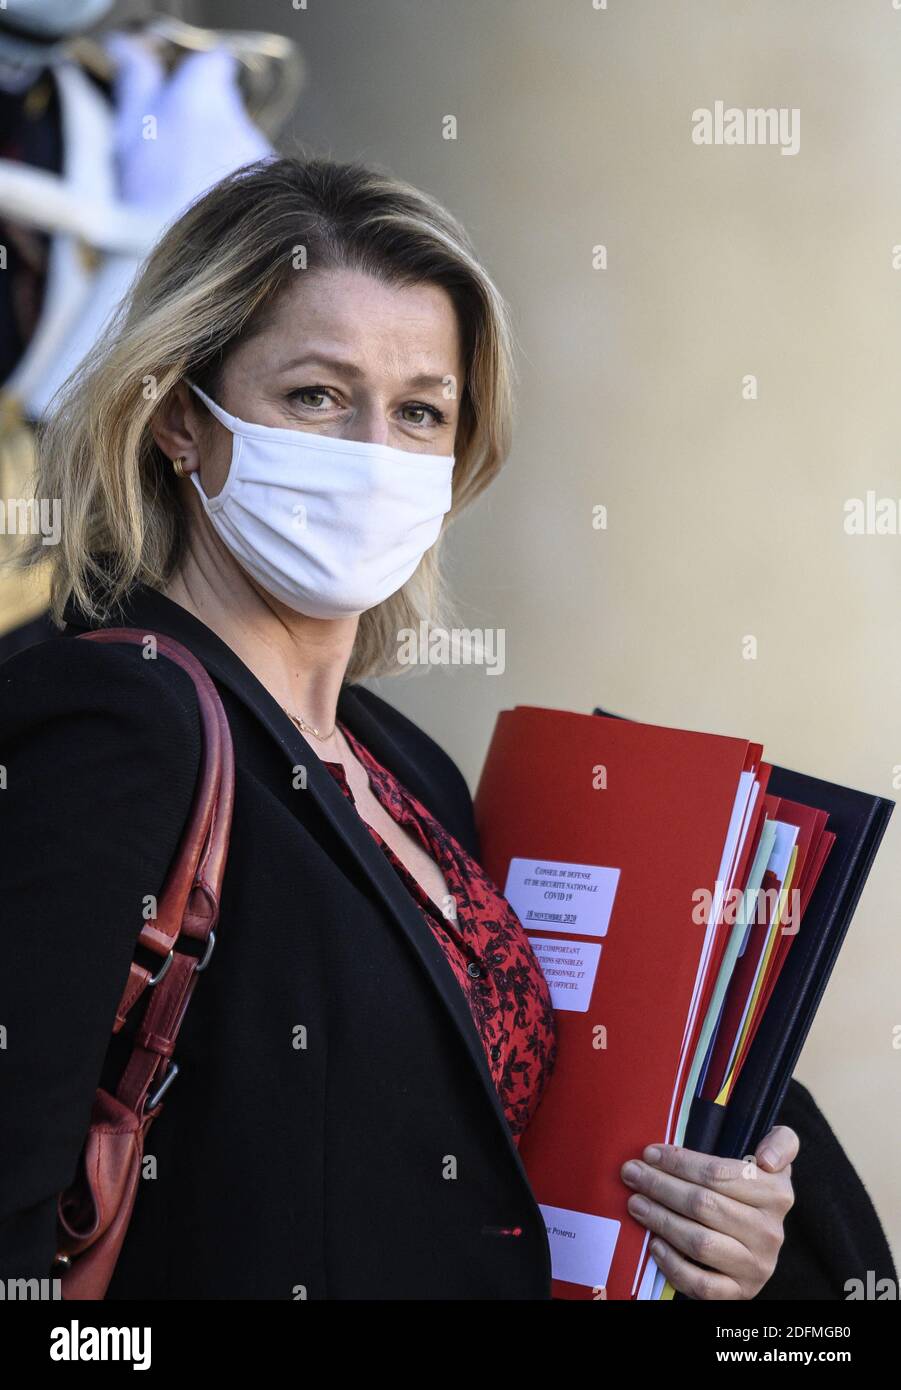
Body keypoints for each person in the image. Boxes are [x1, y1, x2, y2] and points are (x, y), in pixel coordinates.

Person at [0, 154, 796, 1300]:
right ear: (180, 415)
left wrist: (712, 1228)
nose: (374, 452)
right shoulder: (119, 718)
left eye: (420, 410)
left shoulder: (408, 764)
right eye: (316, 395)